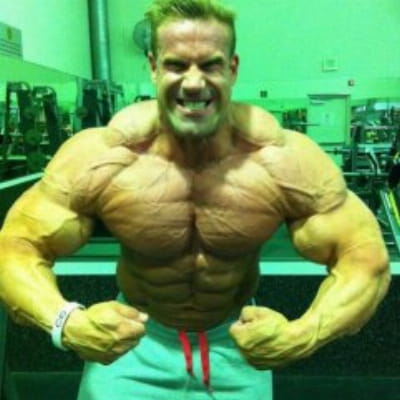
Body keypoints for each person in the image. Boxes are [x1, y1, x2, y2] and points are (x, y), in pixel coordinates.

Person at [0, 0, 391, 399]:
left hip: (238, 347)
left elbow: (365, 259)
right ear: (153, 67)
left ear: (232, 68)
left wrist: (304, 334)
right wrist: (66, 322)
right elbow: (15, 246)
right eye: (175, 65)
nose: (192, 82)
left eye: (210, 65)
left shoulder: (282, 160)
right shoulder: (102, 156)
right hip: (131, 348)